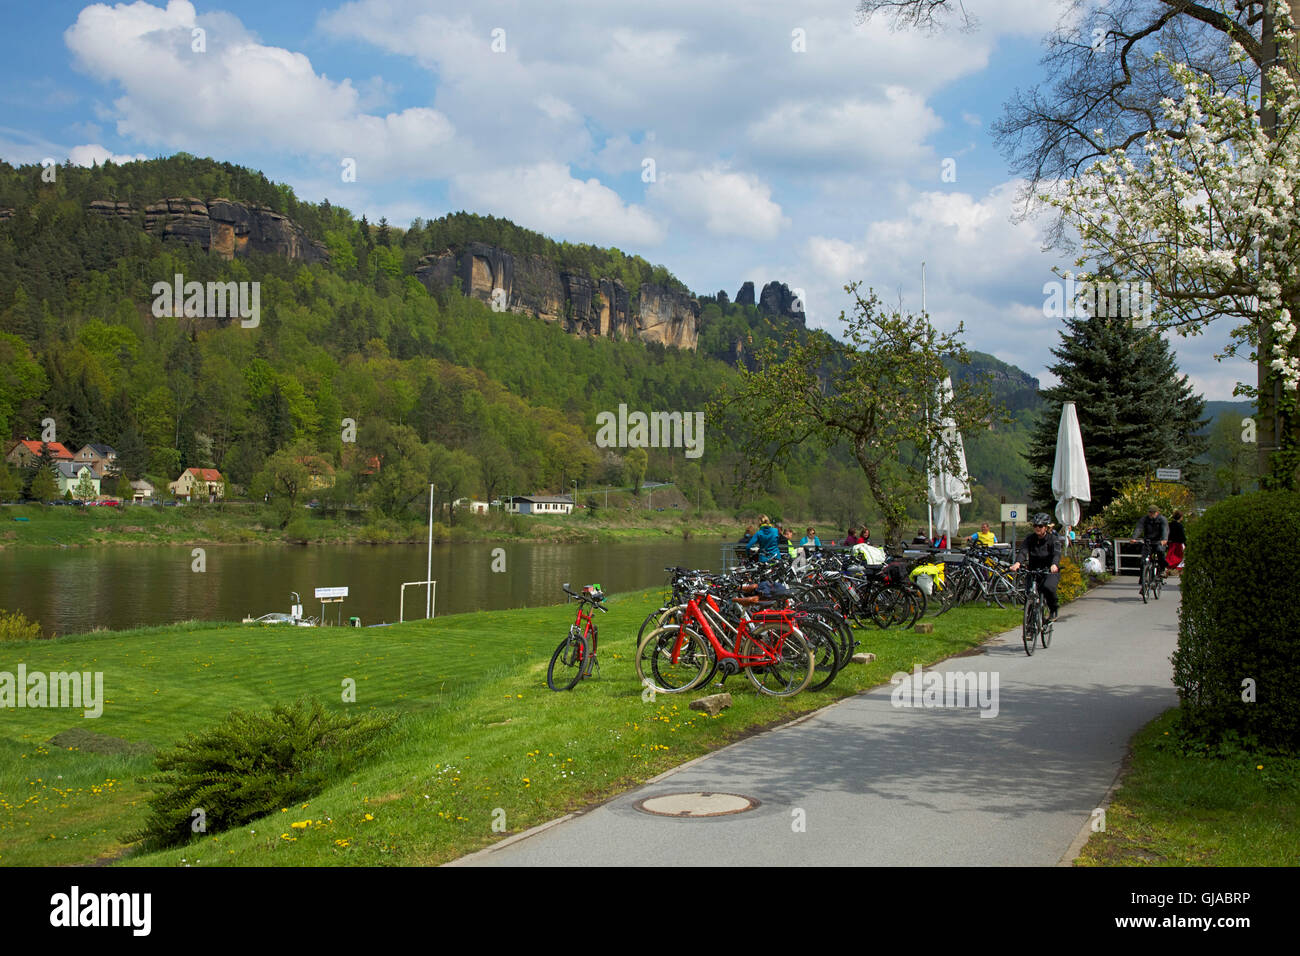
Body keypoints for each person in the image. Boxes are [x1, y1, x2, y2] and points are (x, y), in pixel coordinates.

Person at [1009, 512, 1062, 623]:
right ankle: (1029, 625)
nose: (1037, 528)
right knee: (1029, 594)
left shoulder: (1053, 539)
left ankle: (1053, 610)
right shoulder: (1030, 538)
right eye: (1035, 526)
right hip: (1033, 570)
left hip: (1049, 571)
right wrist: (1018, 563)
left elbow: (1056, 553)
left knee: (1048, 587)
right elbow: (1023, 551)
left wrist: (1054, 564)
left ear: (1046, 527)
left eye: (1040, 526)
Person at [1130, 505, 1169, 580]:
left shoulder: (1162, 519)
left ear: (1157, 513)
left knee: (1160, 551)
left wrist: (1164, 539)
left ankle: (1162, 569)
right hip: (1148, 541)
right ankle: (1142, 581)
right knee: (1143, 560)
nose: (1151, 514)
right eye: (1150, 512)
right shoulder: (1144, 519)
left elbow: (1165, 530)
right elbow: (1139, 528)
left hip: (1159, 541)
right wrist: (1134, 538)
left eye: (1153, 512)